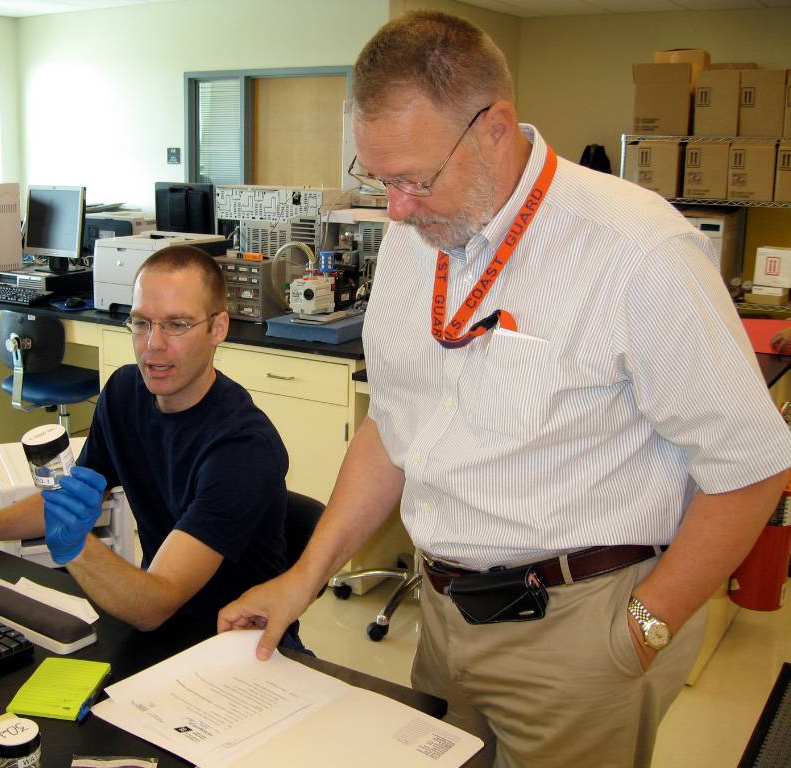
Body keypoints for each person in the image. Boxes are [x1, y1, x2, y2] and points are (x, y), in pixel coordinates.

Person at [218, 12, 791, 768]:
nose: (396, 208)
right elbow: (393, 428)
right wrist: (303, 578)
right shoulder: (414, 241)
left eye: (415, 179)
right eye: (378, 178)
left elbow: (750, 466)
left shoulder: (637, 250)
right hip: (443, 618)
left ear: (495, 128)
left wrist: (640, 633)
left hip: (582, 628)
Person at [0, 245, 292, 638]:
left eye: (177, 325)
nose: (152, 346)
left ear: (218, 327)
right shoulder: (126, 392)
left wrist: (77, 547)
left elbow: (155, 603)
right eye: (141, 322)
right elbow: (63, 503)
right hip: (160, 632)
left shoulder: (242, 448)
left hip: (235, 646)